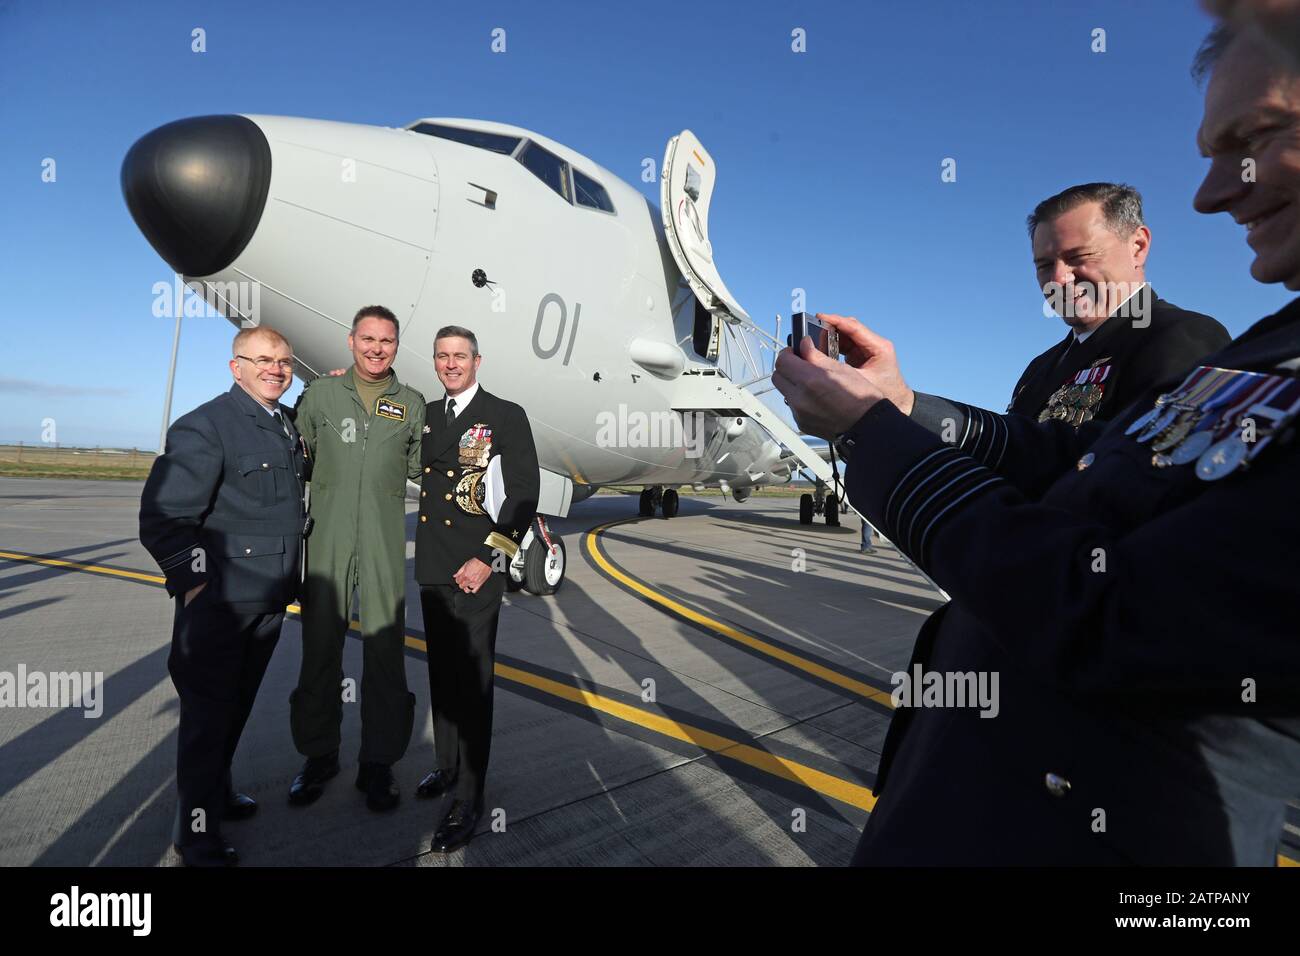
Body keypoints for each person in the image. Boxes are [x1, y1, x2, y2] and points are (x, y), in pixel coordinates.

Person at [771, 21, 1300, 865]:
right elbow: (1052, 463)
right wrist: (901, 404)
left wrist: (870, 434)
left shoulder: (1183, 342)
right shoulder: (1217, 352)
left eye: (1256, 138)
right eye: (1042, 269)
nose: (1212, 191)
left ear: (1138, 245)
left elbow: (1107, 601)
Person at [139, 326, 307, 867]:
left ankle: (217, 795)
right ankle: (195, 834)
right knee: (206, 723)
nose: (275, 368)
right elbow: (163, 518)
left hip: (267, 602)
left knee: (234, 712)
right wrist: (194, 584)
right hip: (220, 609)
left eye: (283, 361)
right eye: (262, 360)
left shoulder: (282, 424)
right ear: (236, 367)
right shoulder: (206, 426)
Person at [286, 306, 426, 812]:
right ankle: (319, 755)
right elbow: (294, 453)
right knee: (319, 649)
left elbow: (424, 468)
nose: (376, 348)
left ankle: (378, 762)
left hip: (385, 541)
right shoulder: (322, 393)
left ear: (395, 345)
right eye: (367, 339)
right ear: (351, 341)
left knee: (386, 653)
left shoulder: (412, 404)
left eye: (386, 341)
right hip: (327, 538)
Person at [414, 325, 539, 853]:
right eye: (442, 356)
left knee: (473, 683)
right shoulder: (425, 416)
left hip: (475, 570)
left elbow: (524, 494)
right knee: (442, 677)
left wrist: (491, 558)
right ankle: (446, 769)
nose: (450, 364)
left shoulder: (504, 415)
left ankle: (469, 796)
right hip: (433, 568)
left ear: (477, 360)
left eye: (459, 356)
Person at [1009, 182, 1229, 425]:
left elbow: (1150, 453)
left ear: (1138, 247)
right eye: (1044, 265)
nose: (1058, 278)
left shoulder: (1183, 337)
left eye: (1079, 257)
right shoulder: (1039, 368)